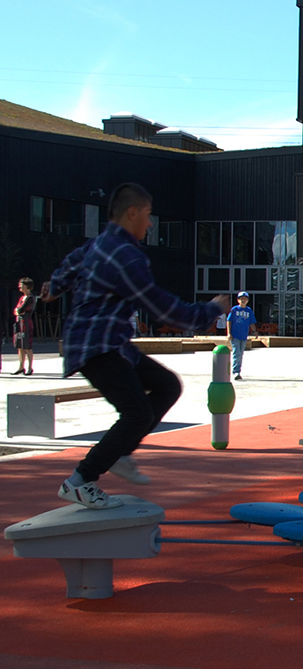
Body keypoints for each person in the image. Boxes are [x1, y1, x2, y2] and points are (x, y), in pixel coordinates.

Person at [42, 183, 228, 509]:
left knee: (167, 385)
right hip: (96, 347)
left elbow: (70, 265)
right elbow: (162, 308)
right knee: (136, 412)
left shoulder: (98, 244)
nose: (150, 223)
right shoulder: (126, 257)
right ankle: (80, 480)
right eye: (148, 214)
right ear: (132, 213)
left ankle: (121, 452)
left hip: (112, 345)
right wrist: (210, 310)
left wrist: (55, 287)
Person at [227, 291, 258, 380]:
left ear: (247, 300)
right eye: (241, 299)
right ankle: (235, 372)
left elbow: (252, 322)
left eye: (245, 299)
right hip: (235, 335)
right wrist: (229, 333)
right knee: (236, 353)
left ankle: (238, 371)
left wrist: (255, 331)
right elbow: (229, 321)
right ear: (238, 300)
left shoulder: (249, 311)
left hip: (243, 335)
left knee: (240, 354)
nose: (243, 300)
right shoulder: (234, 309)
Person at [12, 277, 36, 375]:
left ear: (26, 286)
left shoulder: (30, 298)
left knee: (27, 346)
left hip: (26, 323)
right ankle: (21, 367)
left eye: (21, 285)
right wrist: (18, 311)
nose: (19, 286)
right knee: (20, 346)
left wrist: (18, 311)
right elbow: (16, 310)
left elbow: (21, 309)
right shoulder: (22, 298)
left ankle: (30, 367)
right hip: (19, 323)